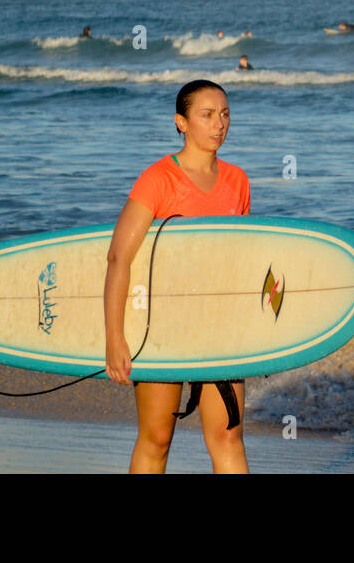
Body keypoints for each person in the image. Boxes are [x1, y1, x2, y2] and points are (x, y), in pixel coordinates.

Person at [104, 80, 251, 474]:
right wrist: (115, 337)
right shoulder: (158, 179)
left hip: (219, 328)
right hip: (163, 328)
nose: (219, 124)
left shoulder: (238, 180)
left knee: (228, 436)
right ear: (181, 123)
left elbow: (242, 259)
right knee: (157, 438)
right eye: (206, 115)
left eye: (224, 114)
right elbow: (119, 257)